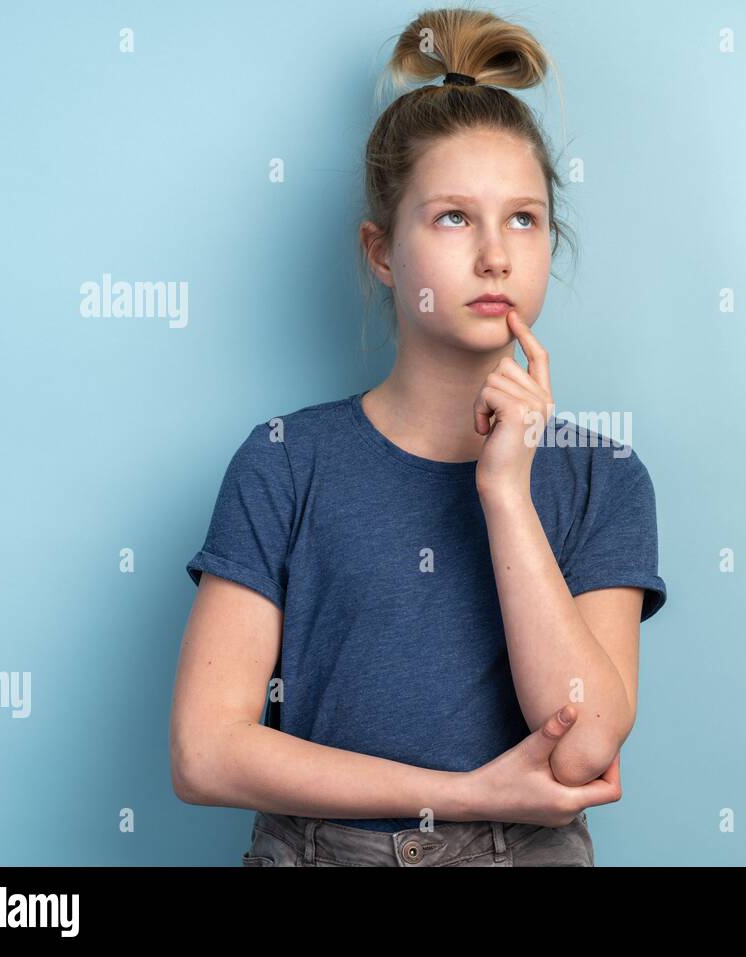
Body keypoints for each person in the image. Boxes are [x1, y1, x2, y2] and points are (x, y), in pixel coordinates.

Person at [169, 7, 667, 867]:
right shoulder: (286, 460)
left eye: (523, 219)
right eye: (451, 218)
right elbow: (205, 752)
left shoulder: (603, 476)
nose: (494, 256)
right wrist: (464, 793)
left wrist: (506, 492)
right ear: (381, 251)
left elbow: (584, 748)